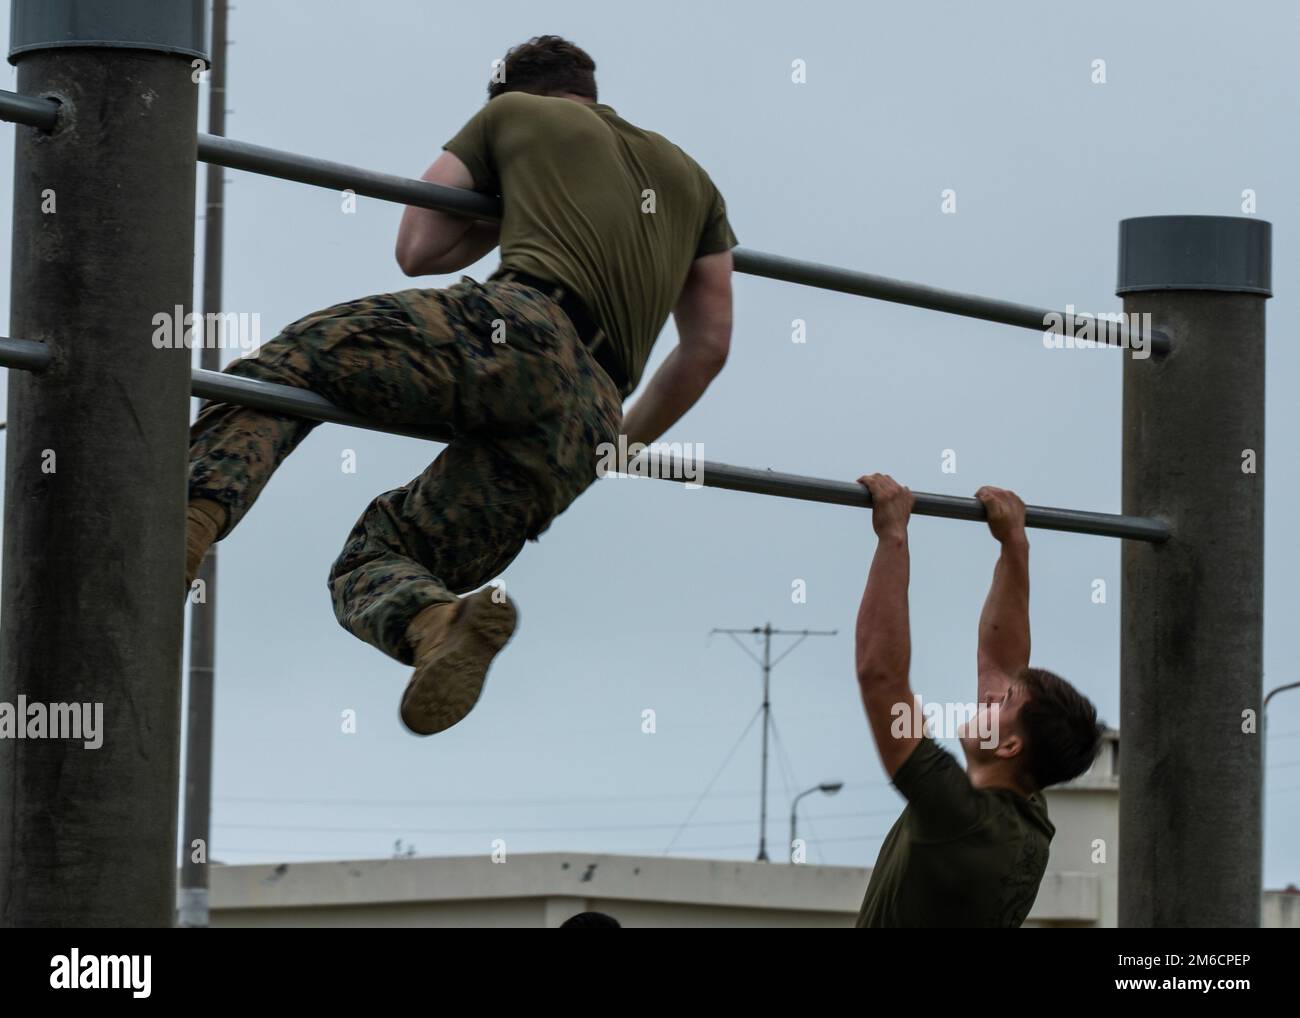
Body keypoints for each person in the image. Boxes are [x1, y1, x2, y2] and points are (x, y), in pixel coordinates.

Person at [184, 36, 737, 735]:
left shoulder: (513, 116)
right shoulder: (694, 180)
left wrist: (509, 197)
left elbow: (417, 246)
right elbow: (709, 347)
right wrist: (612, 449)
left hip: (516, 328)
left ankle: (187, 519)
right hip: (593, 412)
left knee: (293, 362)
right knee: (381, 555)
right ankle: (435, 622)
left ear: (510, 93)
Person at [853, 474, 1104, 927]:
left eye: (1003, 701)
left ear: (1010, 747)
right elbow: (1002, 663)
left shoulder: (959, 815)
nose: (988, 694)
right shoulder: (1026, 810)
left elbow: (881, 678)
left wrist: (892, 537)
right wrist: (1014, 547)